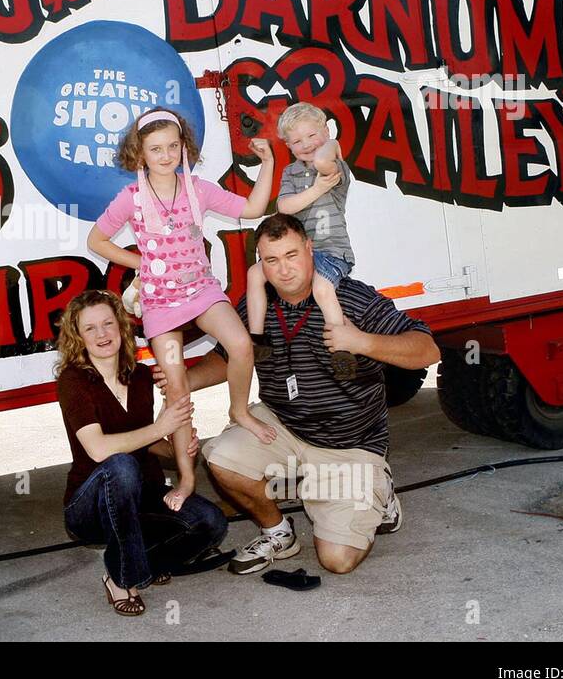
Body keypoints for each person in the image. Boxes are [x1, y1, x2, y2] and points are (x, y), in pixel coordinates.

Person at [179, 213, 439, 576]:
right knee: (223, 457)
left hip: (350, 443)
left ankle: (377, 488)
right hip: (284, 427)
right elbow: (229, 358)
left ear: (309, 249)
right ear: (261, 264)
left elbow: (426, 348)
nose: (284, 270)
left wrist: (361, 341)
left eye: (291, 255)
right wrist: (183, 380)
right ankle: (277, 532)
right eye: (272, 260)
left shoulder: (349, 296)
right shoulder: (257, 302)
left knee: (336, 560)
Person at [87, 107, 275, 512]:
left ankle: (239, 410)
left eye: (173, 146)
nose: (167, 154)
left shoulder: (198, 189)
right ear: (140, 154)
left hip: (201, 292)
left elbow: (253, 209)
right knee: (176, 388)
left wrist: (268, 164)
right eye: (156, 149)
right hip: (161, 307)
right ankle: (188, 479)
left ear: (184, 147)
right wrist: (141, 263)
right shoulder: (131, 198)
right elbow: (97, 240)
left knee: (241, 344)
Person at [56, 289, 231, 616]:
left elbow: (141, 439)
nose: (102, 334)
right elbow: (98, 449)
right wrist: (161, 425)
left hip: (140, 492)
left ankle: (138, 561)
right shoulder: (73, 380)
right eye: (90, 328)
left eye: (108, 323)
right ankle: (123, 579)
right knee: (120, 466)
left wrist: (177, 449)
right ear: (77, 336)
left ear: (121, 326)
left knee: (211, 522)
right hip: (89, 505)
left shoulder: (139, 376)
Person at [246, 102, 358, 379]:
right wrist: (318, 188)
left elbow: (322, 160)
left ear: (327, 131)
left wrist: (331, 144)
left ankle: (341, 348)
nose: (306, 144)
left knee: (321, 288)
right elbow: (284, 206)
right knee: (254, 273)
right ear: (288, 146)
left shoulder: (335, 166)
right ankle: (257, 338)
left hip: (332, 251)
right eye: (296, 141)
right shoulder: (292, 173)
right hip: (301, 254)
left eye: (313, 136)